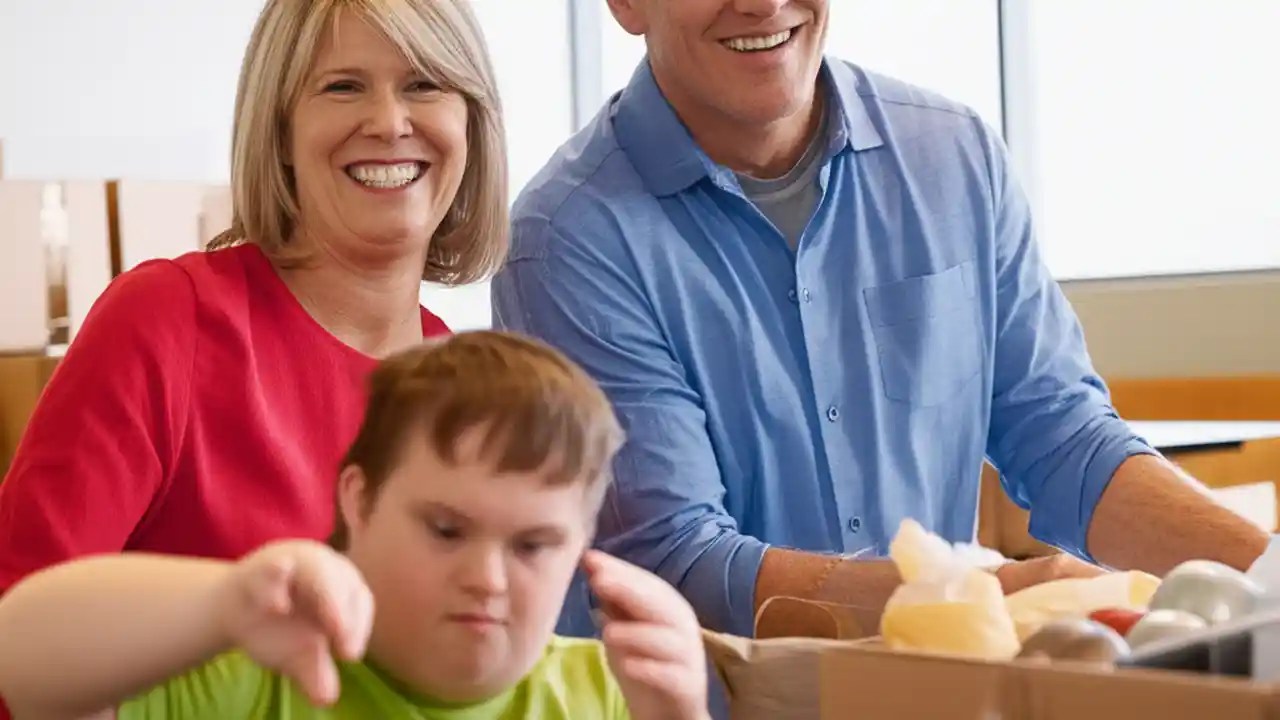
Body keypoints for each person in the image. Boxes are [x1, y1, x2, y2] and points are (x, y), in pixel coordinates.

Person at [491, 0, 1270, 641]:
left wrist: (1268, 576)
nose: (761, 5)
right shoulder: (566, 239)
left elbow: (1065, 440)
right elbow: (674, 563)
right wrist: (985, 596)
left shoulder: (953, 158)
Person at [0, 0, 507, 594]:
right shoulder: (166, 322)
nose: (389, 122)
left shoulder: (469, 389)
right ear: (281, 132)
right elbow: (19, 618)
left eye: (423, 85)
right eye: (343, 87)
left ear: (470, 124)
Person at [0, 332, 710, 720]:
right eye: (446, 530)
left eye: (533, 545)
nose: (487, 579)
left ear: (581, 547)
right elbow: (21, 666)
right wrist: (220, 602)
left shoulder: (613, 695)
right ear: (358, 501)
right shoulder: (262, 675)